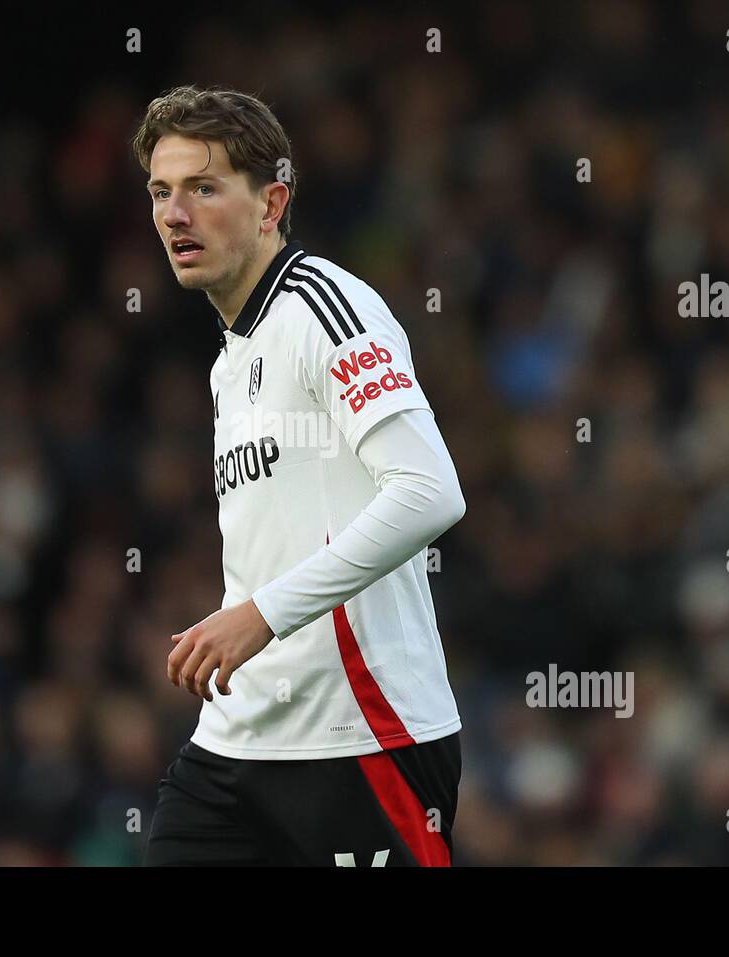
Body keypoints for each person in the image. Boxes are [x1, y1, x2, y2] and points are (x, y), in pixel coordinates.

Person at [133, 85, 466, 866]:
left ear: (270, 202)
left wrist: (261, 615)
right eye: (161, 192)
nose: (175, 215)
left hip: (361, 734)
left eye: (203, 188)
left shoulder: (324, 307)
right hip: (238, 738)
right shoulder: (229, 356)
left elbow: (429, 491)